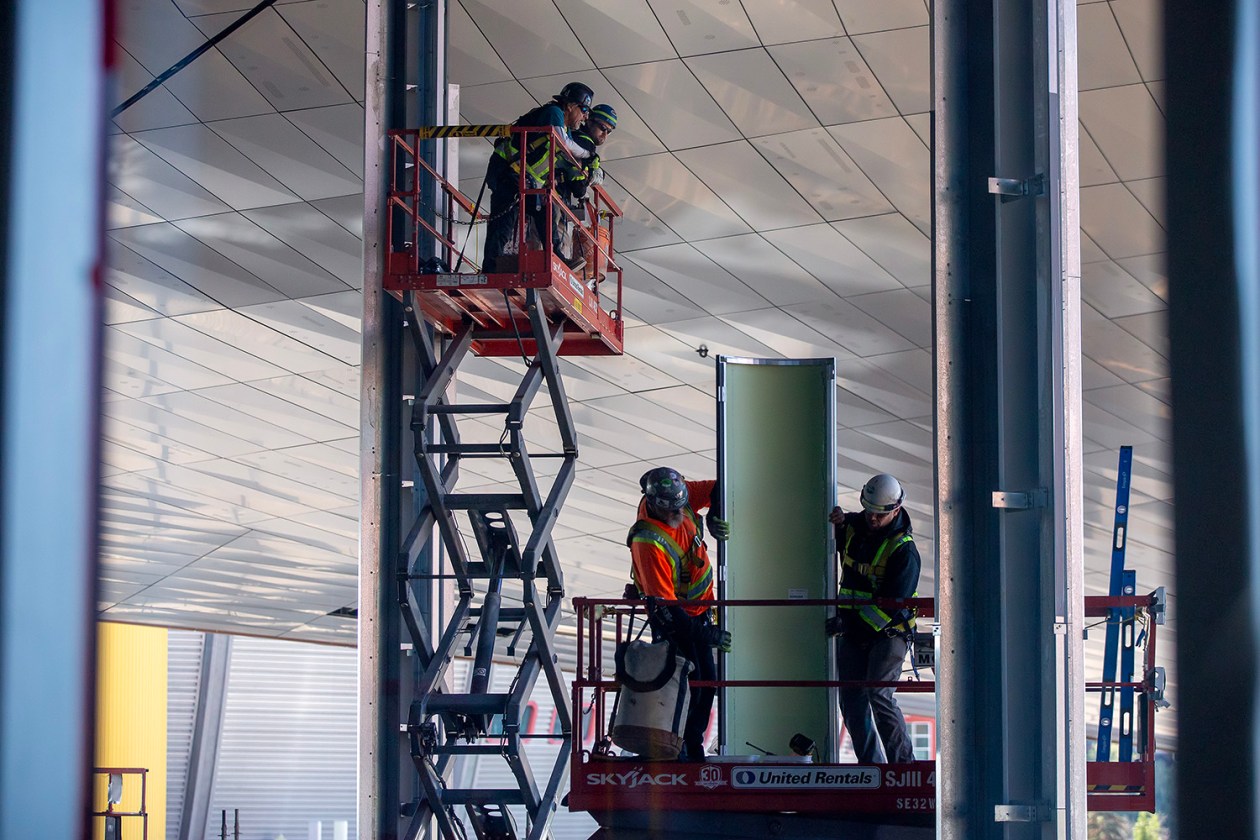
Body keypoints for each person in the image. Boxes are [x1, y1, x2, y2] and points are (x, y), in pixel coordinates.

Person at [626, 467, 731, 762]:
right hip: (675, 620)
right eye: (671, 512)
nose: (678, 515)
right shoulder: (649, 542)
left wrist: (713, 514)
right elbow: (665, 608)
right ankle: (679, 749)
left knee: (705, 682)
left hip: (696, 611)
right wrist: (704, 633)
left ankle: (690, 745)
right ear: (655, 504)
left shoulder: (678, 495)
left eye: (680, 508)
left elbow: (720, 484)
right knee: (686, 685)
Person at [826, 473, 921, 764]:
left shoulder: (904, 551)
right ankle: (871, 766)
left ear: (896, 510)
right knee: (852, 702)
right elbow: (848, 531)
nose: (872, 518)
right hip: (853, 631)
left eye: (879, 514)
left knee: (879, 694)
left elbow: (889, 607)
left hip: (887, 633)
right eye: (868, 511)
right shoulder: (857, 526)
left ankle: (903, 767)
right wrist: (841, 522)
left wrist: (848, 624)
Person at [482, 81, 594, 273]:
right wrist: (587, 154)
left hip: (525, 178)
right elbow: (563, 145)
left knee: (545, 214)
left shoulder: (563, 124)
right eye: (583, 109)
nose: (585, 117)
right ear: (570, 105)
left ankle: (558, 260)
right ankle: (490, 268)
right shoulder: (554, 113)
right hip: (507, 172)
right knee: (504, 223)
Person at [558, 104, 616, 276]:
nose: (605, 135)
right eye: (603, 128)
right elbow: (576, 179)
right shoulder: (583, 142)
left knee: (556, 232)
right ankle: (556, 267)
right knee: (555, 233)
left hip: (555, 191)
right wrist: (582, 191)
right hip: (553, 190)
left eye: (609, 132)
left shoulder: (579, 141)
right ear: (589, 121)